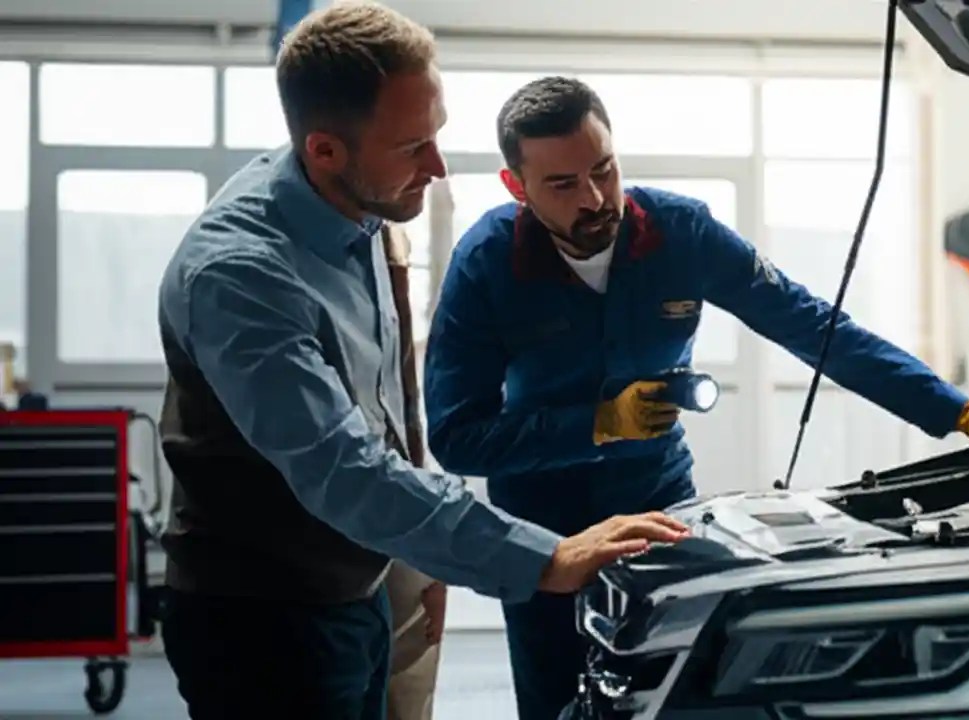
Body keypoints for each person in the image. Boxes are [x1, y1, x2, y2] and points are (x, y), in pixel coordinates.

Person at [421, 75, 969, 719]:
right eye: (565, 184)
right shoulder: (485, 265)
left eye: (604, 170)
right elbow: (456, 437)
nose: (596, 199)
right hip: (546, 537)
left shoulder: (681, 233)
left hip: (659, 510)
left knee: (672, 701)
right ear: (517, 185)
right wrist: (597, 424)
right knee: (557, 706)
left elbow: (817, 328)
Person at [154, 6, 689, 720]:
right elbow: (339, 467)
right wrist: (542, 558)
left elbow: (385, 413)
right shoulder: (241, 278)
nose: (436, 168)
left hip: (362, 585)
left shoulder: (358, 208)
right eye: (414, 146)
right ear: (323, 151)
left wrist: (415, 562)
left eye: (436, 136)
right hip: (265, 619)